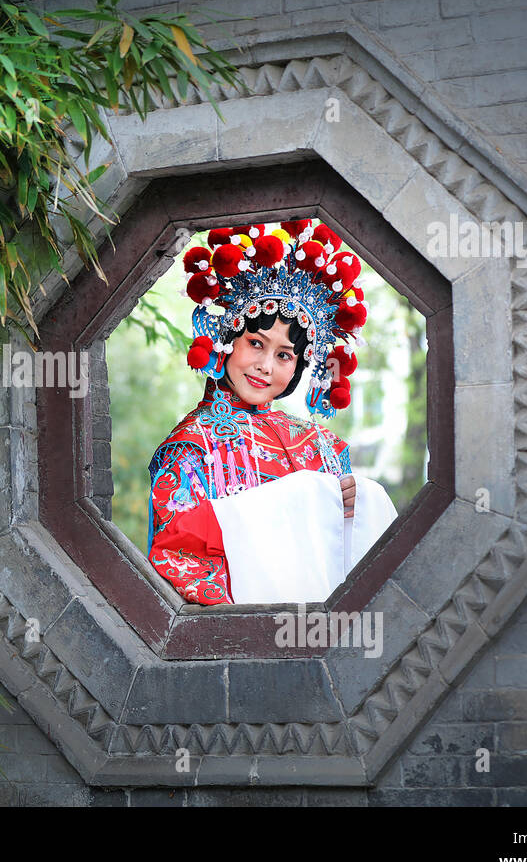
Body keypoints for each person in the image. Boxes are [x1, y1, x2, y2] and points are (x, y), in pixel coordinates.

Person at [146, 219, 397, 606]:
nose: (265, 365)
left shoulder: (322, 446)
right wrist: (303, 496)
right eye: (255, 343)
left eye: (283, 355)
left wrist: (357, 502)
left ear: (300, 367)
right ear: (226, 337)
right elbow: (175, 550)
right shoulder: (192, 445)